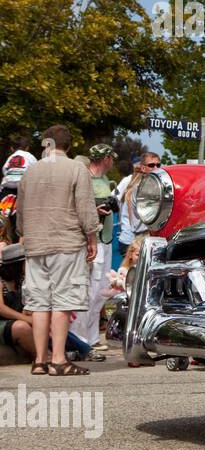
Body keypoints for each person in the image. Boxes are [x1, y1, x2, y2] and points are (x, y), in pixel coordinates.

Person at [15, 125, 100, 376]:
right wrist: (92, 237)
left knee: (39, 303)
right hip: (66, 242)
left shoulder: (30, 171)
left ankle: (40, 360)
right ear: (69, 145)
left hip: (35, 243)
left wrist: (24, 233)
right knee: (62, 302)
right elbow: (85, 208)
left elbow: (20, 212)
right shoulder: (76, 168)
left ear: (45, 145)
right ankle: (59, 359)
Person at [71, 143, 117, 353]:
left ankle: (91, 336)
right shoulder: (85, 178)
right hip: (94, 239)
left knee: (101, 290)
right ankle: (81, 337)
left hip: (105, 239)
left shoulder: (104, 179)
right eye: (111, 158)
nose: (113, 161)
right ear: (106, 158)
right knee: (90, 289)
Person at [116, 151, 160, 259]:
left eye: (158, 165)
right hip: (133, 242)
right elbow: (136, 225)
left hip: (139, 240)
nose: (156, 167)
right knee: (131, 274)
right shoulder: (139, 189)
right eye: (151, 165)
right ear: (143, 168)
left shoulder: (152, 188)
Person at [0, 243, 35, 359]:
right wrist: (26, 318)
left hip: (15, 319)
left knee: (43, 319)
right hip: (3, 322)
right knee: (22, 327)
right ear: (17, 265)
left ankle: (81, 349)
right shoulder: (1, 281)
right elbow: (1, 309)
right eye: (26, 263)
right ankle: (46, 356)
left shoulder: (20, 281)